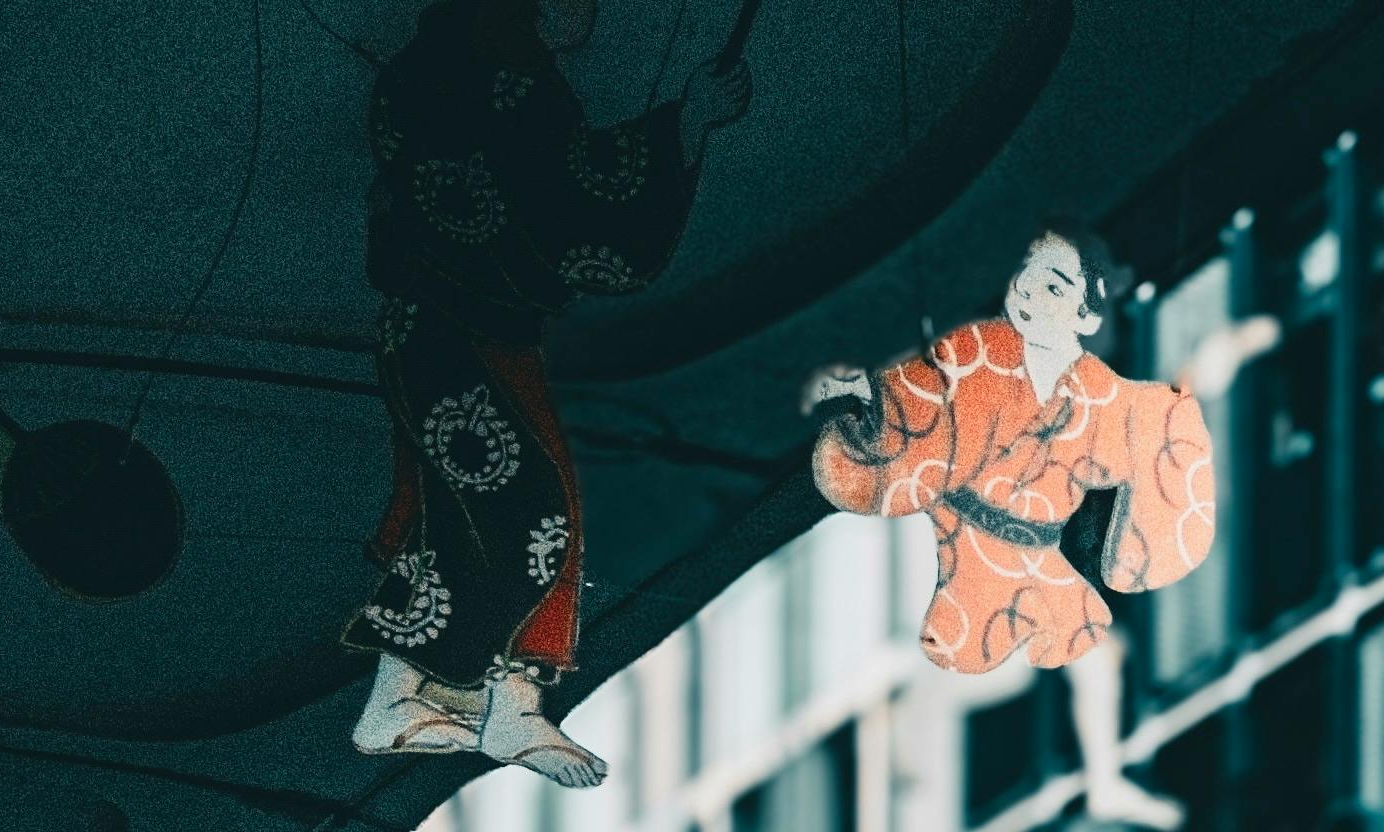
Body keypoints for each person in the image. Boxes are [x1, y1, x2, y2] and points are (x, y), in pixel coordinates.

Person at [346, 0, 751, 787]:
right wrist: (686, 122)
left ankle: (484, 704)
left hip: (447, 324)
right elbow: (569, 200)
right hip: (458, 325)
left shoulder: (446, 67)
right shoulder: (501, 77)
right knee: (528, 514)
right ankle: (454, 701)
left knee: (462, 513)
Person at [803, 232, 1270, 743]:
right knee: (1087, 655)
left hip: (1033, 531)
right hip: (1007, 517)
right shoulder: (1006, 368)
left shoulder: (1093, 408)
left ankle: (1100, 778)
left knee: (1090, 655)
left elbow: (1182, 391)